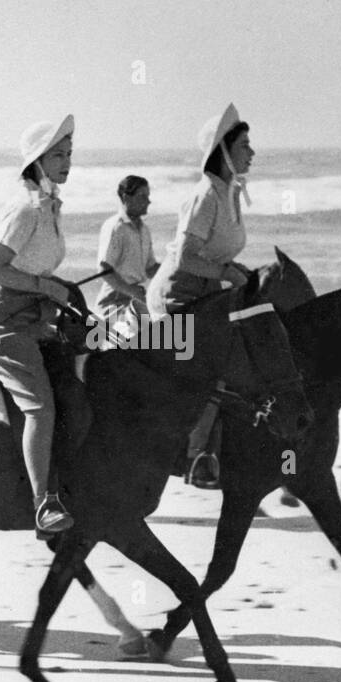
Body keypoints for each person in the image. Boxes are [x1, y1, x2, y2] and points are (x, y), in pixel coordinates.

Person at [0, 115, 79, 533]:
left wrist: (56, 288)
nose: (67, 162)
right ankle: (42, 504)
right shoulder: (24, 207)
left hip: (36, 318)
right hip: (4, 325)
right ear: (37, 160)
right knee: (41, 407)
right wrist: (44, 286)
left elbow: (35, 266)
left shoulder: (49, 204)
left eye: (69, 154)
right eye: (58, 155)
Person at [147, 103, 254, 488]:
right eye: (244, 145)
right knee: (212, 368)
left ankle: (219, 452)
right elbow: (186, 256)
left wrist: (235, 274)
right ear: (223, 152)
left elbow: (216, 253)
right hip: (176, 296)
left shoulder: (230, 194)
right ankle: (194, 457)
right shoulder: (206, 195)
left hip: (208, 293)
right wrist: (227, 273)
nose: (252, 153)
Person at [94, 174, 159, 342]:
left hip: (137, 301)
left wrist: (174, 271)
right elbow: (104, 270)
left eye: (148, 196)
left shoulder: (144, 229)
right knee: (143, 343)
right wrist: (131, 291)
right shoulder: (116, 227)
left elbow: (151, 268)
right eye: (142, 196)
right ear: (125, 197)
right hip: (114, 304)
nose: (148, 201)